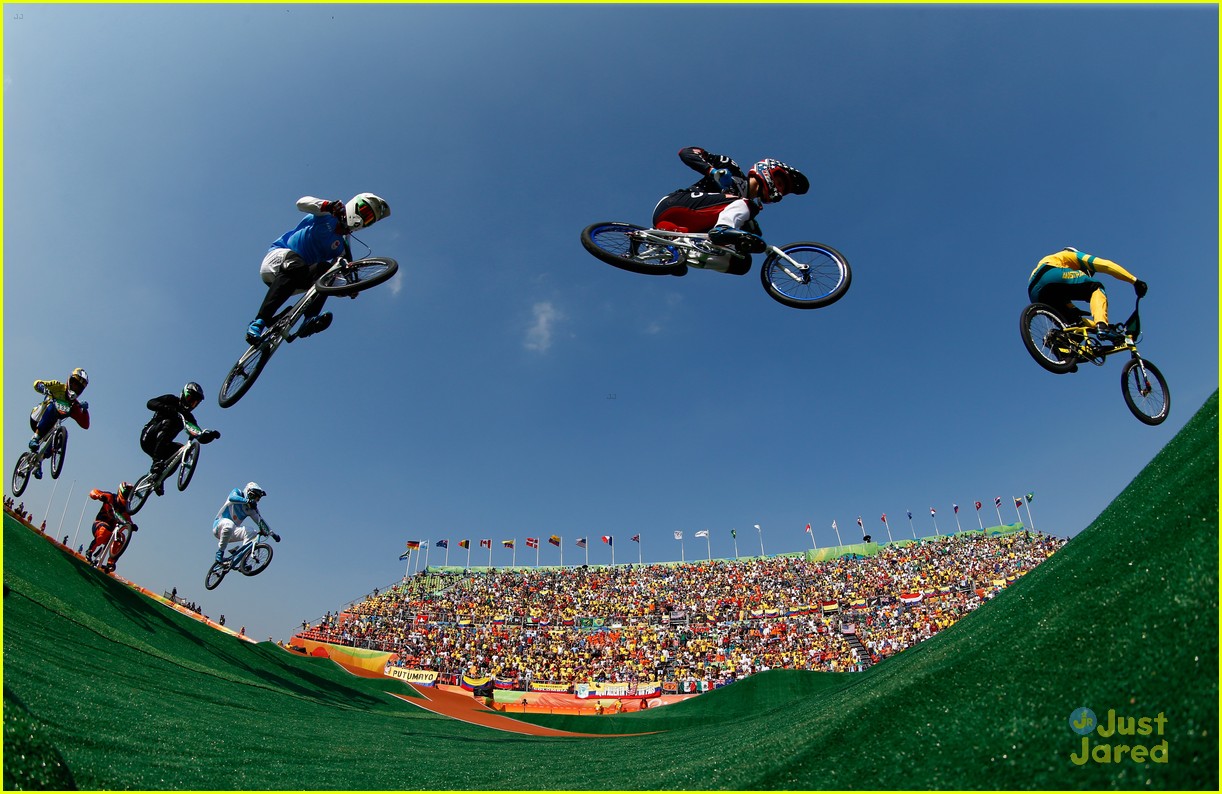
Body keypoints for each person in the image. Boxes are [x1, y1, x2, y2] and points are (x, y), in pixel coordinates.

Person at [245, 193, 391, 344]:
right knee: (296, 265)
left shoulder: (343, 247)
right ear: (355, 205)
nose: (363, 220)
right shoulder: (327, 214)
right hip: (277, 260)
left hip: (295, 280)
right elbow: (301, 203)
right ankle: (259, 322)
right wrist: (328, 205)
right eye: (365, 213)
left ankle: (309, 320)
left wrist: (349, 289)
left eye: (368, 220)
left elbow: (333, 281)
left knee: (326, 270)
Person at [651, 147, 810, 273]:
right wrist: (713, 172)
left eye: (783, 191)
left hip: (683, 228)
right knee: (747, 205)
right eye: (781, 184)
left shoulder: (746, 213)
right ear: (769, 172)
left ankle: (678, 255)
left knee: (741, 263)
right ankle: (721, 229)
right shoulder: (730, 167)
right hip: (675, 205)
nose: (780, 191)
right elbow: (686, 152)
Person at [1028, 247, 1148, 343]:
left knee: (1074, 325)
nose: (1088, 274)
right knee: (1096, 288)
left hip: (1034, 293)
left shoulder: (1053, 262)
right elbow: (1106, 265)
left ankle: (1061, 349)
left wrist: (1109, 328)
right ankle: (1102, 325)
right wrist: (1135, 281)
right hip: (1050, 274)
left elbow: (1072, 311)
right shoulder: (1072, 255)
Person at [140, 382, 221, 496]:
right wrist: (167, 408)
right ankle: (156, 463)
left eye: (194, 402)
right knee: (168, 422)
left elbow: (198, 435)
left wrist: (210, 436)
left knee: (181, 451)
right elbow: (150, 403)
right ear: (183, 394)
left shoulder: (189, 417)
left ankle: (159, 478)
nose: (191, 403)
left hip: (163, 445)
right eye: (190, 399)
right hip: (148, 437)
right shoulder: (171, 399)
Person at [27, 368, 91, 476]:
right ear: (69, 380)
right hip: (38, 417)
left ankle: (39, 462)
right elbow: (37, 384)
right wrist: (42, 387)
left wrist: (84, 410)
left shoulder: (74, 404)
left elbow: (85, 424)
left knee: (57, 438)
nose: (75, 388)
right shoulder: (57, 386)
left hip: (51, 426)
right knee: (51, 407)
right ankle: (35, 438)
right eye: (74, 384)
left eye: (78, 387)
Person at [211, 482, 279, 565]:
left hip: (231, 533)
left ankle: (241, 559)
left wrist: (272, 534)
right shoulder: (237, 492)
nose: (254, 500)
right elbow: (232, 498)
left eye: (257, 499)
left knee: (252, 532)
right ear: (248, 492)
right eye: (253, 497)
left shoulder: (250, 509)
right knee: (230, 525)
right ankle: (220, 553)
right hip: (219, 526)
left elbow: (260, 521)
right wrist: (246, 501)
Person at [86, 482, 137, 573]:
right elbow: (93, 491)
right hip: (99, 524)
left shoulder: (125, 509)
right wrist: (98, 496)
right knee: (104, 531)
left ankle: (111, 562)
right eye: (126, 494)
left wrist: (132, 526)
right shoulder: (110, 497)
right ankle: (90, 551)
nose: (127, 497)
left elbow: (128, 520)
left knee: (120, 538)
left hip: (111, 533)